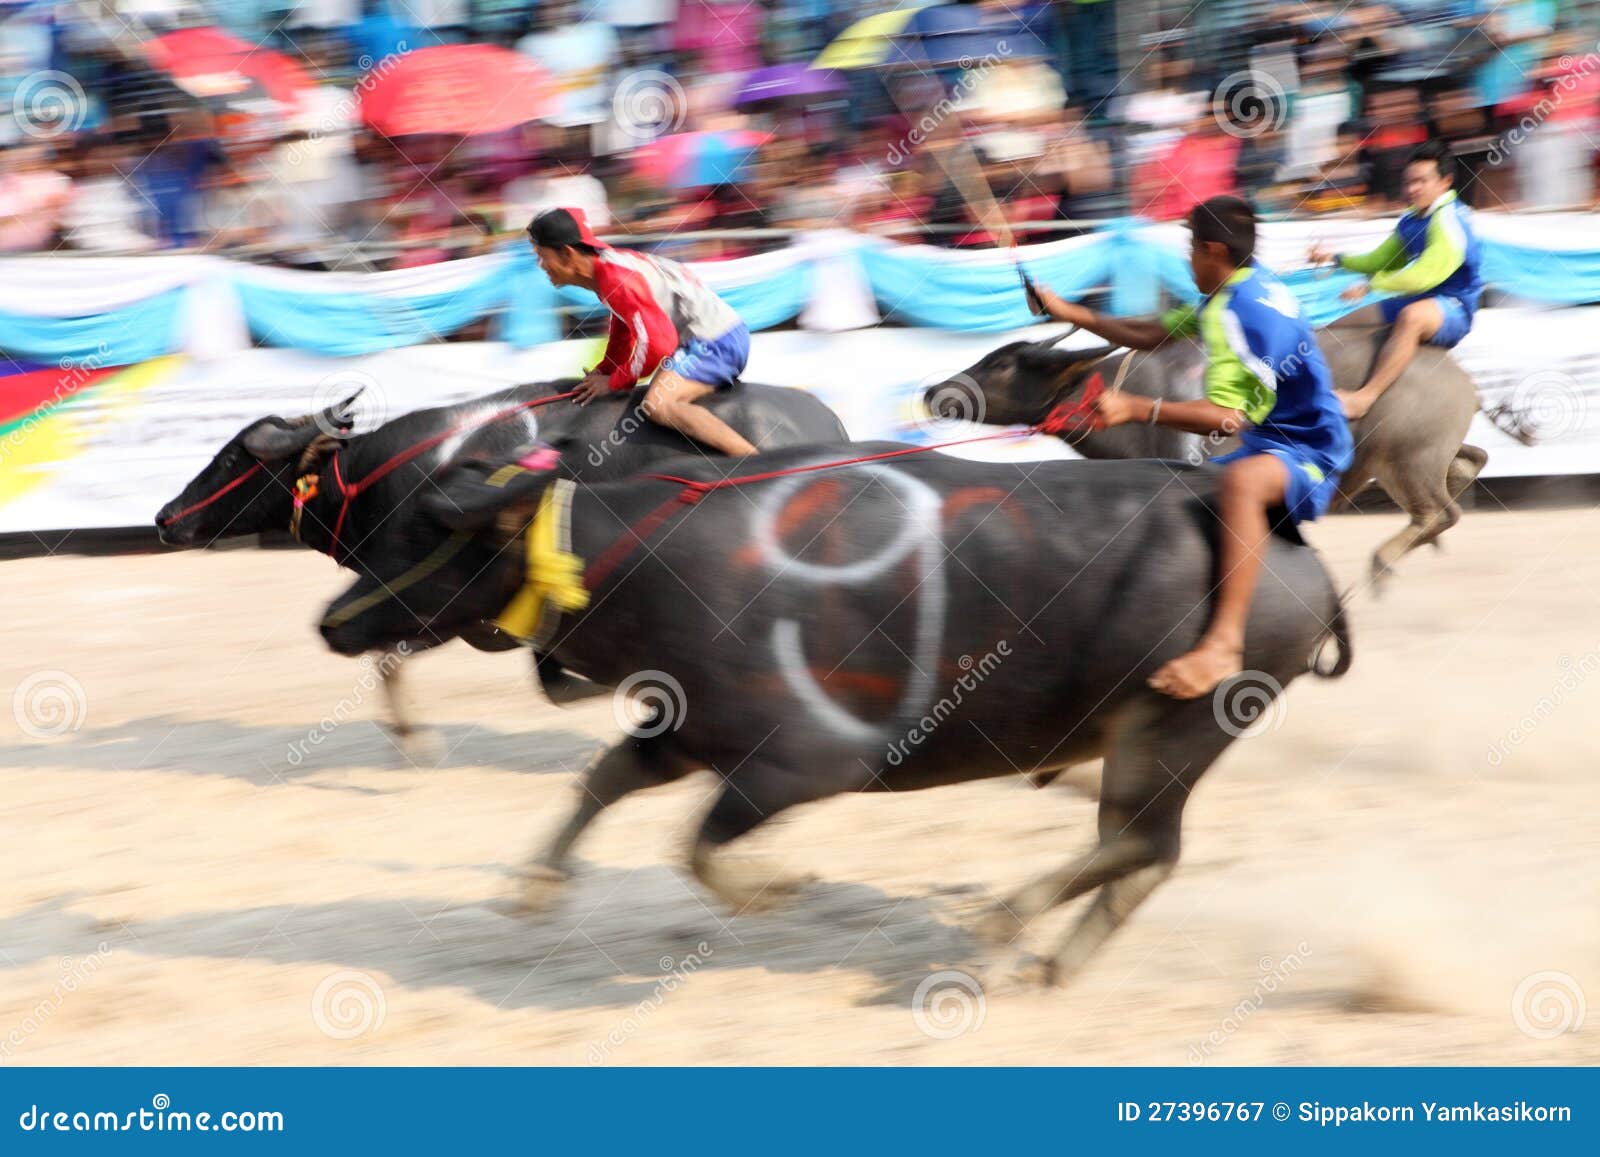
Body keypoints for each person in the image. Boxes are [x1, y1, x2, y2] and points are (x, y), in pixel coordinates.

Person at [1029, 195, 1354, 699]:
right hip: (1272, 431)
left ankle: (1224, 644)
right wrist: (1067, 310)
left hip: (1308, 449)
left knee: (1241, 485)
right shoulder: (1237, 285)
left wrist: (1140, 409)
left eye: (1190, 247)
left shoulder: (1234, 315)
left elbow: (1228, 418)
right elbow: (1153, 334)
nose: (1187, 259)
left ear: (1213, 250)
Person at [526, 206, 757, 456]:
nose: (540, 265)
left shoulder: (616, 277)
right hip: (714, 335)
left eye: (541, 255)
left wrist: (615, 381)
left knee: (659, 405)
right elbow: (623, 327)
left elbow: (659, 343)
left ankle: (752, 460)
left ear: (567, 254)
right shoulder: (606, 269)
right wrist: (606, 369)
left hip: (714, 341)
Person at [1308, 140, 1483, 419]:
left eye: (1421, 181)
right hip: (1423, 298)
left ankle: (1364, 398)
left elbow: (1423, 276)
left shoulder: (1449, 221)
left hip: (1453, 307)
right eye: (1409, 182)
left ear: (1445, 182)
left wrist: (1370, 285)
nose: (1412, 189)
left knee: (1411, 317)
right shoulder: (1412, 218)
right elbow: (1381, 260)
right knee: (1340, 324)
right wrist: (1336, 258)